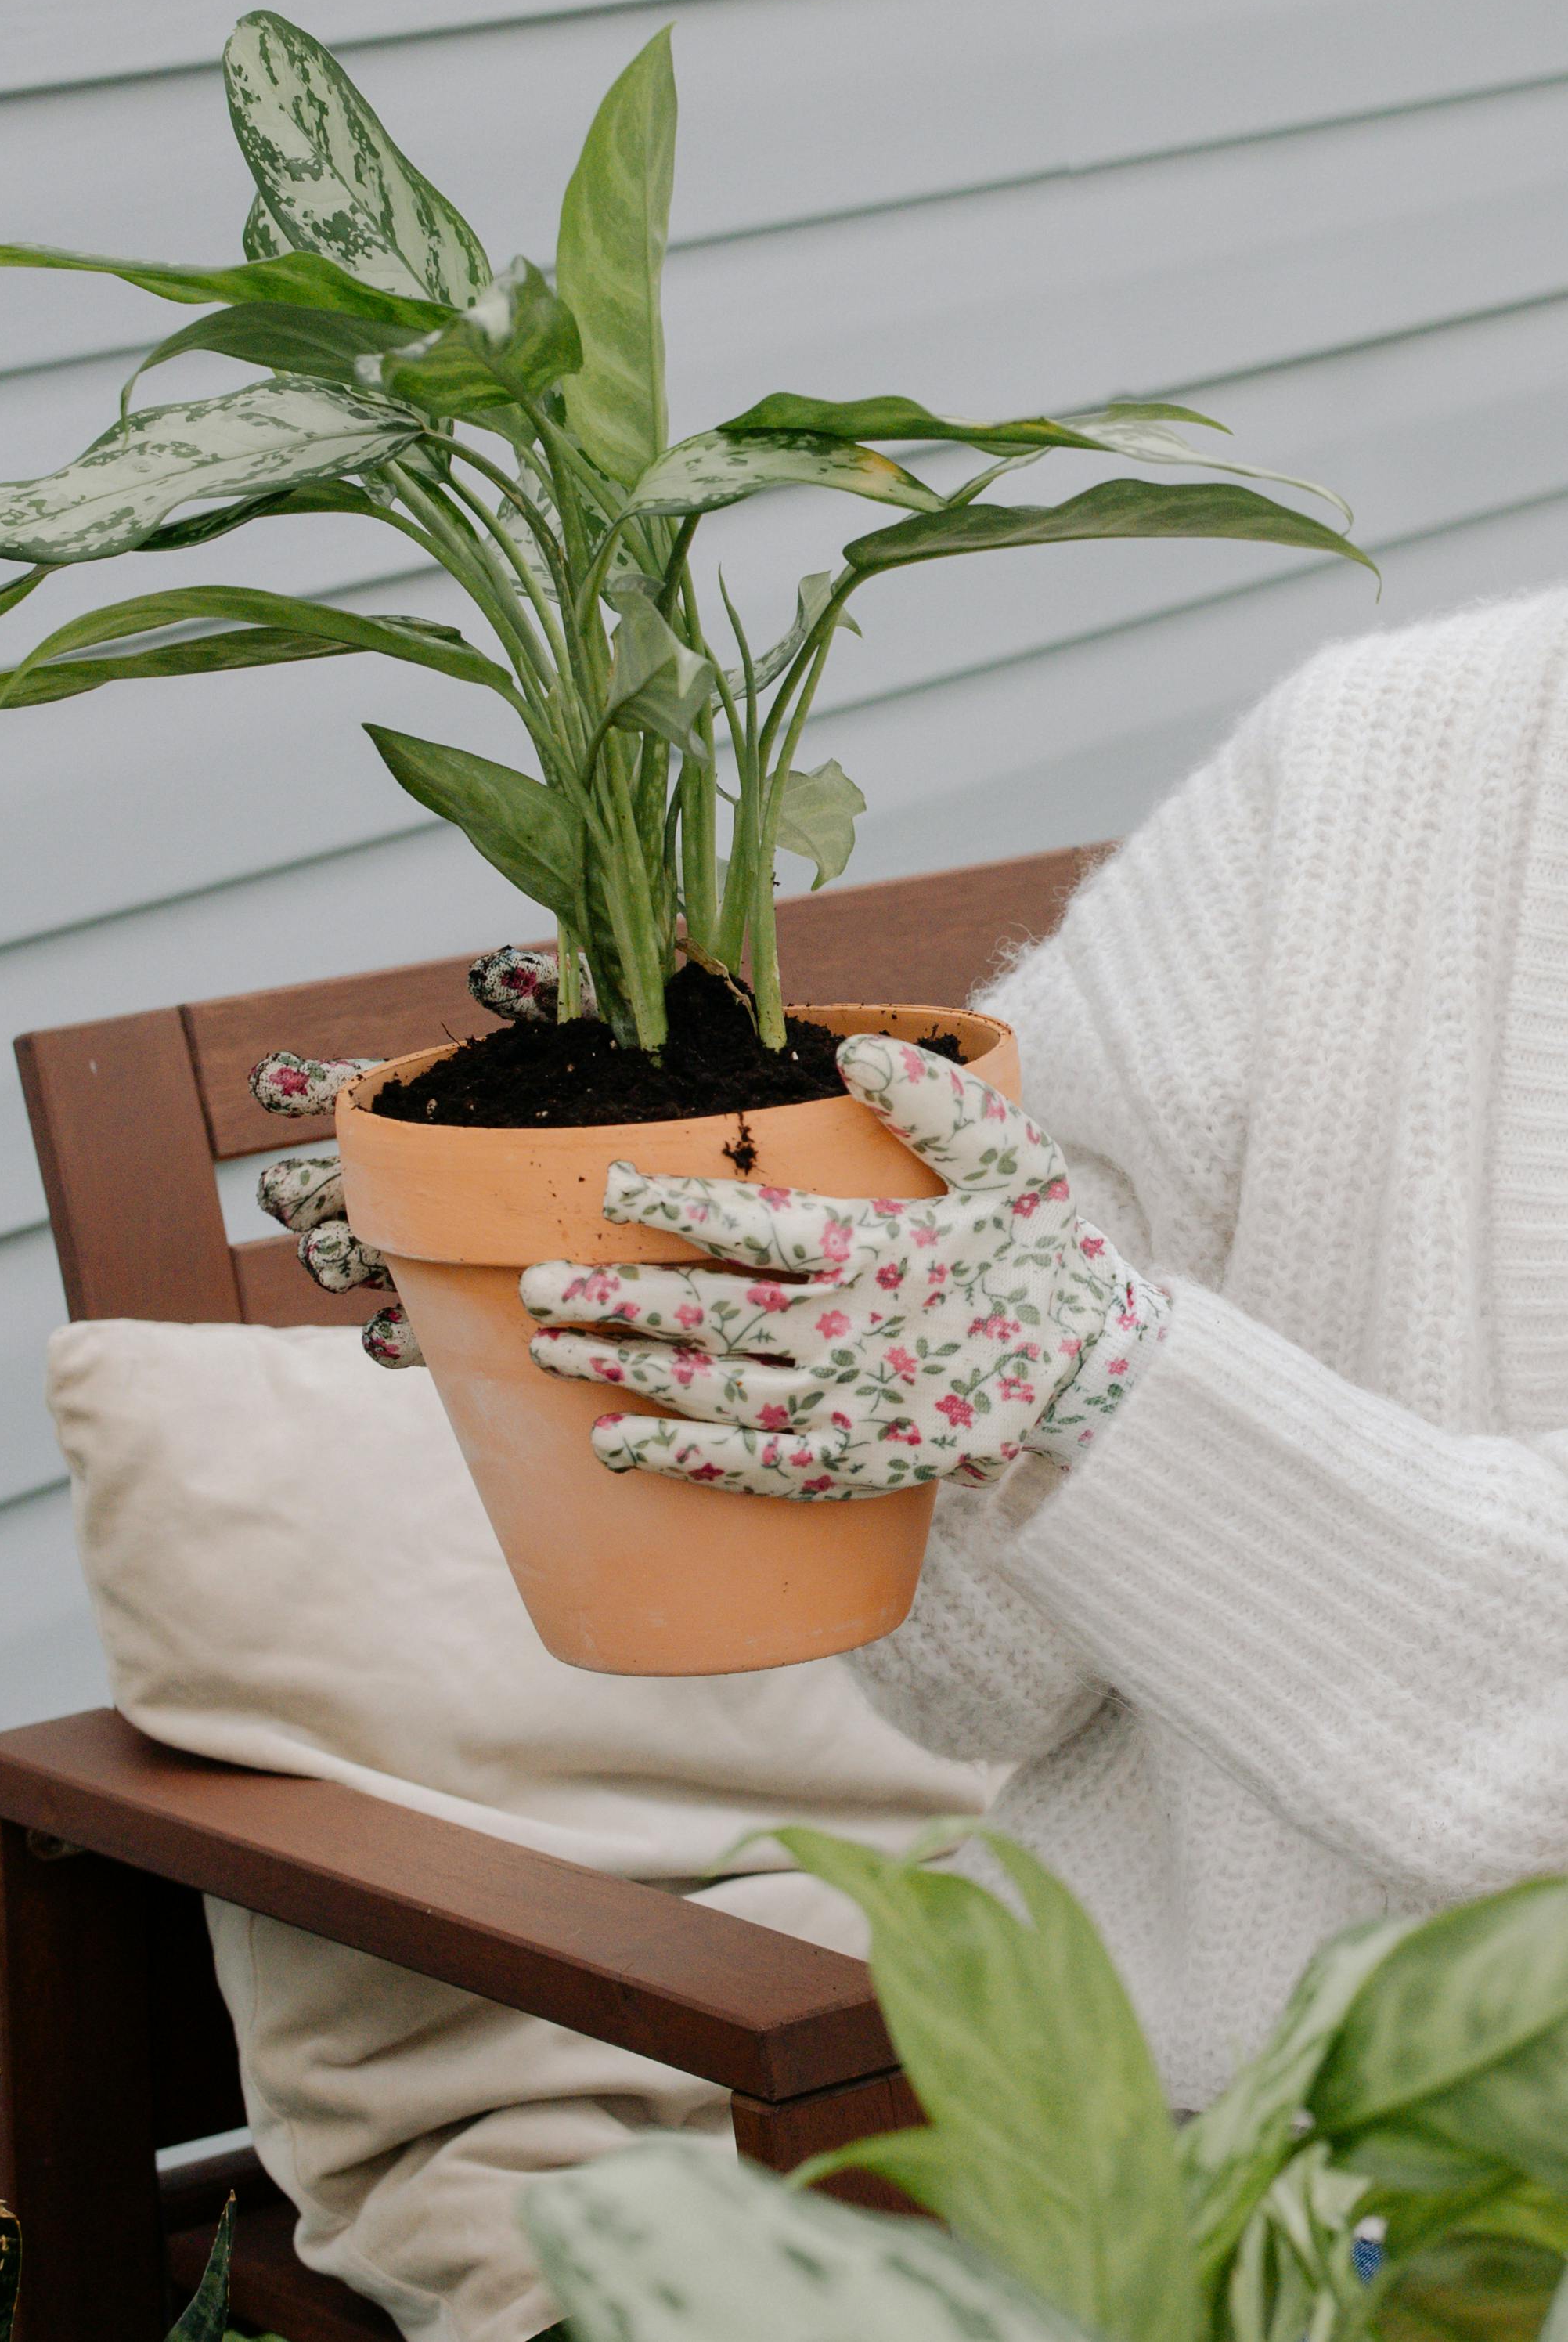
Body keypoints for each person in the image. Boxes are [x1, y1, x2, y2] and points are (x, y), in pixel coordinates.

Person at [268, 588, 1568, 2113]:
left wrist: (1097, 1383)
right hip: (1148, 2154)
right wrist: (662, 1260)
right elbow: (979, 1679)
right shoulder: (1370, 765)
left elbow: (1058, 1343)